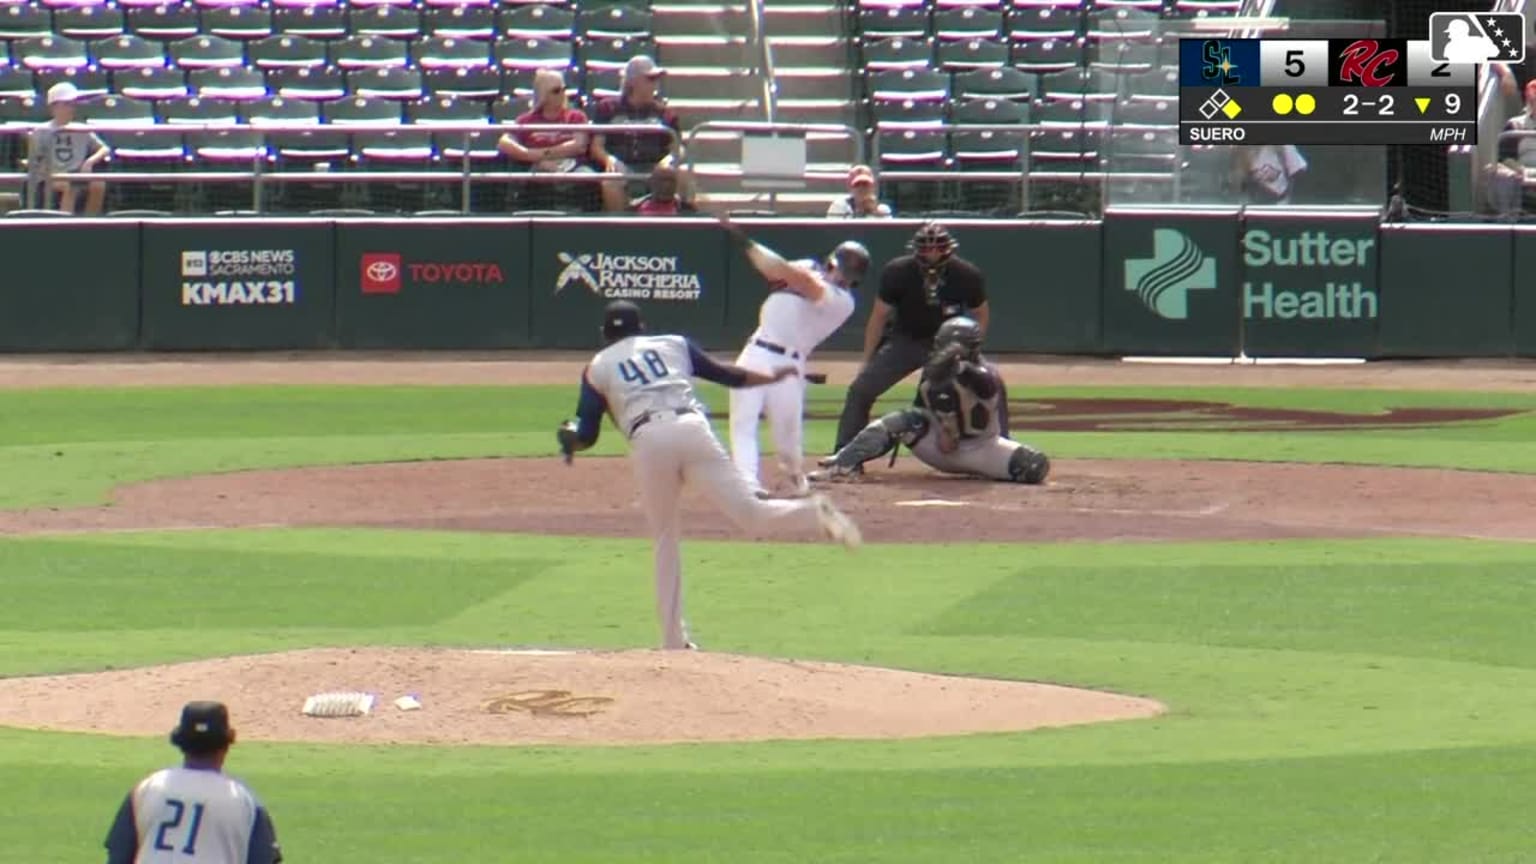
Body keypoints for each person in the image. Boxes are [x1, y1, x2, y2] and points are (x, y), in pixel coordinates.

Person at [557, 300, 861, 651]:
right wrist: (772, 377)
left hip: (650, 440)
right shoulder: (674, 343)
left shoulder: (598, 367)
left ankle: (674, 641)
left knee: (665, 540)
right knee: (752, 515)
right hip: (693, 428)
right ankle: (815, 512)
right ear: (642, 327)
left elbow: (588, 433)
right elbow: (727, 375)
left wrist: (570, 439)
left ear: (604, 335)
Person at [721, 212, 868, 497]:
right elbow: (772, 271)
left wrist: (747, 240)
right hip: (756, 351)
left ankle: (794, 479)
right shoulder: (808, 267)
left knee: (787, 435)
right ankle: (747, 482)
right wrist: (746, 244)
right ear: (831, 263)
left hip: (790, 365)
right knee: (743, 421)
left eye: (850, 277)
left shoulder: (843, 302)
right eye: (841, 272)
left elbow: (798, 279)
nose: (844, 279)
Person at [818, 317, 1048, 484]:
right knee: (901, 420)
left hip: (983, 450)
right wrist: (944, 430)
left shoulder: (986, 376)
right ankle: (845, 461)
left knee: (1035, 465)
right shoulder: (932, 373)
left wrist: (959, 368)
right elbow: (921, 412)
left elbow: (984, 392)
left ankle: (993, 470)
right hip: (939, 449)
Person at [831, 221, 993, 457]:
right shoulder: (897, 271)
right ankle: (845, 453)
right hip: (905, 339)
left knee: (949, 398)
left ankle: (970, 452)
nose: (932, 254)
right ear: (916, 248)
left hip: (948, 345)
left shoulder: (966, 274)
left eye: (937, 248)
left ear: (948, 248)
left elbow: (981, 313)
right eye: (926, 249)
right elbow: (878, 316)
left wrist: (972, 349)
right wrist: (867, 359)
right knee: (860, 390)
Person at [103, 701, 283, 864]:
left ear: (181, 744)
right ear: (225, 746)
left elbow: (119, 856)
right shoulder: (244, 800)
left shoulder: (146, 789)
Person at [590, 55, 683, 213]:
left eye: (657, 78)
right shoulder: (608, 108)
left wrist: (668, 160)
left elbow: (679, 149)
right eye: (650, 78)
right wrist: (609, 159)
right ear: (633, 81)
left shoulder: (664, 113)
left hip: (654, 169)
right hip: (622, 167)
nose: (656, 83)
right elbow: (596, 146)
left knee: (682, 174)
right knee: (610, 181)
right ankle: (621, 230)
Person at [496, 68, 596, 211]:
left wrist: (542, 155)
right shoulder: (527, 120)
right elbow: (504, 142)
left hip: (573, 166)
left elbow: (579, 145)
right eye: (556, 91)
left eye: (564, 89)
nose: (562, 94)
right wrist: (530, 156)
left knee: (588, 177)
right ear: (543, 95)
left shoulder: (576, 116)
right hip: (539, 167)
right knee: (537, 178)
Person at [27, 82, 108, 215]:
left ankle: (90, 221)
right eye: (66, 104)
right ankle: (65, 223)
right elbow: (35, 159)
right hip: (52, 175)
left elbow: (104, 149)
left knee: (98, 184)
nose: (71, 108)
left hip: (77, 174)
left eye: (72, 104)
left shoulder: (81, 129)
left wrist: (89, 162)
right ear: (54, 107)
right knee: (70, 186)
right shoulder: (41, 130)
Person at [1230, 144, 1307, 205]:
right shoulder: (1239, 148)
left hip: (1279, 207)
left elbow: (1298, 173)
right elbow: (1233, 181)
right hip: (1248, 208)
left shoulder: (1283, 147)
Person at [825, 165, 892, 218]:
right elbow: (833, 232)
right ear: (850, 187)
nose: (861, 188)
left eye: (865, 184)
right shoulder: (839, 206)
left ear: (873, 187)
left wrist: (876, 213)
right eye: (857, 184)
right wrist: (858, 213)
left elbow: (889, 233)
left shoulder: (883, 210)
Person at [628, 163, 697, 215]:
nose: (667, 186)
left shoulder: (688, 211)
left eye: (671, 181)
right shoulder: (634, 210)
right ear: (651, 183)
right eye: (662, 180)